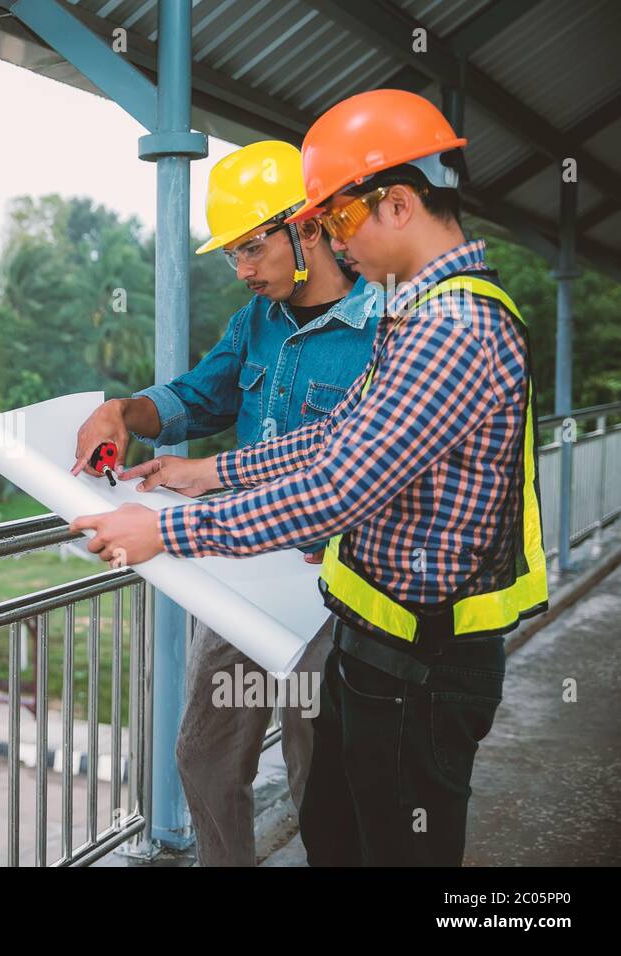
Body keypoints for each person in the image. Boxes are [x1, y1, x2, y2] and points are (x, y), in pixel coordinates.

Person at [71, 90, 547, 866]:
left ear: (397, 204)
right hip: (380, 638)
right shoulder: (417, 315)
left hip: (420, 652)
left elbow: (337, 488)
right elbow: (332, 437)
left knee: (382, 836)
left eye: (338, 218)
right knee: (336, 825)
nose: (334, 238)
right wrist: (208, 468)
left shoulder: (450, 329)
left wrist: (162, 529)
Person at [71, 140, 380, 865]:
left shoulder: (386, 331)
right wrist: (123, 410)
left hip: (335, 596)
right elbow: (195, 397)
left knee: (319, 777)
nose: (241, 271)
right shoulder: (256, 323)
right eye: (231, 257)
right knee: (205, 759)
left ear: (305, 228)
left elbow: (352, 471)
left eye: (250, 249)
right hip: (242, 570)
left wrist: (208, 476)